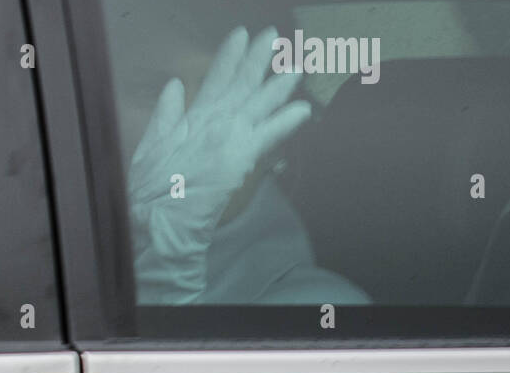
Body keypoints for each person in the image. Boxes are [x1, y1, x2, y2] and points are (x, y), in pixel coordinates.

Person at [125, 25, 369, 306]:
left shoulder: (321, 304)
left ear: (277, 142)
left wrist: (164, 270)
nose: (192, 124)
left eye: (226, 95)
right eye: (151, 90)